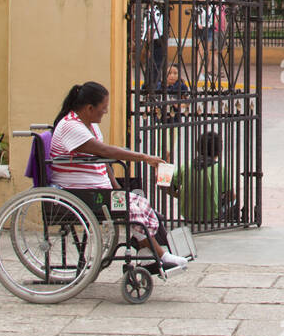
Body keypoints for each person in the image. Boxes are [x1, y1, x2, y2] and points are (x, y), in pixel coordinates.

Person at [49, 81, 188, 268]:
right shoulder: (71, 126)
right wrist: (145, 157)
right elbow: (106, 152)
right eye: (103, 109)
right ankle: (161, 255)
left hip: (95, 189)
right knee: (134, 209)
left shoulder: (89, 125)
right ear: (90, 108)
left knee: (140, 202)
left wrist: (116, 188)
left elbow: (104, 160)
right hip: (80, 192)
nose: (105, 112)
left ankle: (147, 251)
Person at [167, 131, 233, 223]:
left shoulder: (186, 165)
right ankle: (225, 220)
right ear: (219, 151)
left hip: (188, 214)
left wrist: (180, 196)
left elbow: (168, 186)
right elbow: (231, 195)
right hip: (212, 215)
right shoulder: (220, 168)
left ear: (198, 148)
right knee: (233, 201)